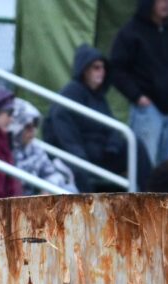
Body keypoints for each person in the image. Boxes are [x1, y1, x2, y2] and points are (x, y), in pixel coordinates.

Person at [44, 44, 149, 193]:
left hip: (102, 154)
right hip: (80, 158)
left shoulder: (99, 97)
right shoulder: (70, 95)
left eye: (103, 68)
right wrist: (81, 157)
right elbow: (65, 134)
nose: (102, 72)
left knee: (135, 145)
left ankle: (149, 195)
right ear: (84, 69)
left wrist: (112, 147)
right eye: (96, 68)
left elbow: (113, 127)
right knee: (79, 168)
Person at [109, 0, 168, 165]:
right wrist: (138, 97)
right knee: (144, 163)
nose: (167, 4)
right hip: (148, 110)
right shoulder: (131, 31)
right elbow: (117, 69)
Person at [7, 98, 77, 194]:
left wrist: (47, 189)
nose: (33, 131)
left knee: (69, 189)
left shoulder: (34, 148)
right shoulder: (4, 149)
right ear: (16, 126)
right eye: (28, 126)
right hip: (14, 198)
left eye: (35, 124)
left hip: (36, 197)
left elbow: (51, 173)